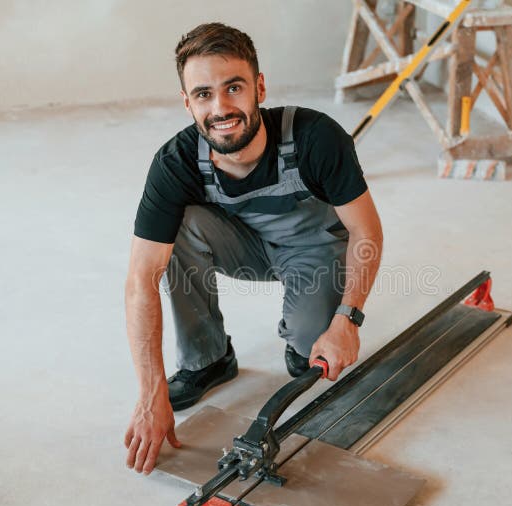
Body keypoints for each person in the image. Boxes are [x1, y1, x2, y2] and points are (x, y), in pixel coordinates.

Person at [123, 22, 383, 475]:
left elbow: (367, 233)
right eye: (203, 94)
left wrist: (348, 320)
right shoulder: (175, 163)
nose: (220, 107)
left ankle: (303, 334)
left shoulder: (316, 137)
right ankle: (208, 359)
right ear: (187, 103)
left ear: (259, 87)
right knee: (178, 226)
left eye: (234, 87)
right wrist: (151, 393)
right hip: (241, 247)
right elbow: (140, 279)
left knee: (310, 357)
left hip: (312, 252)